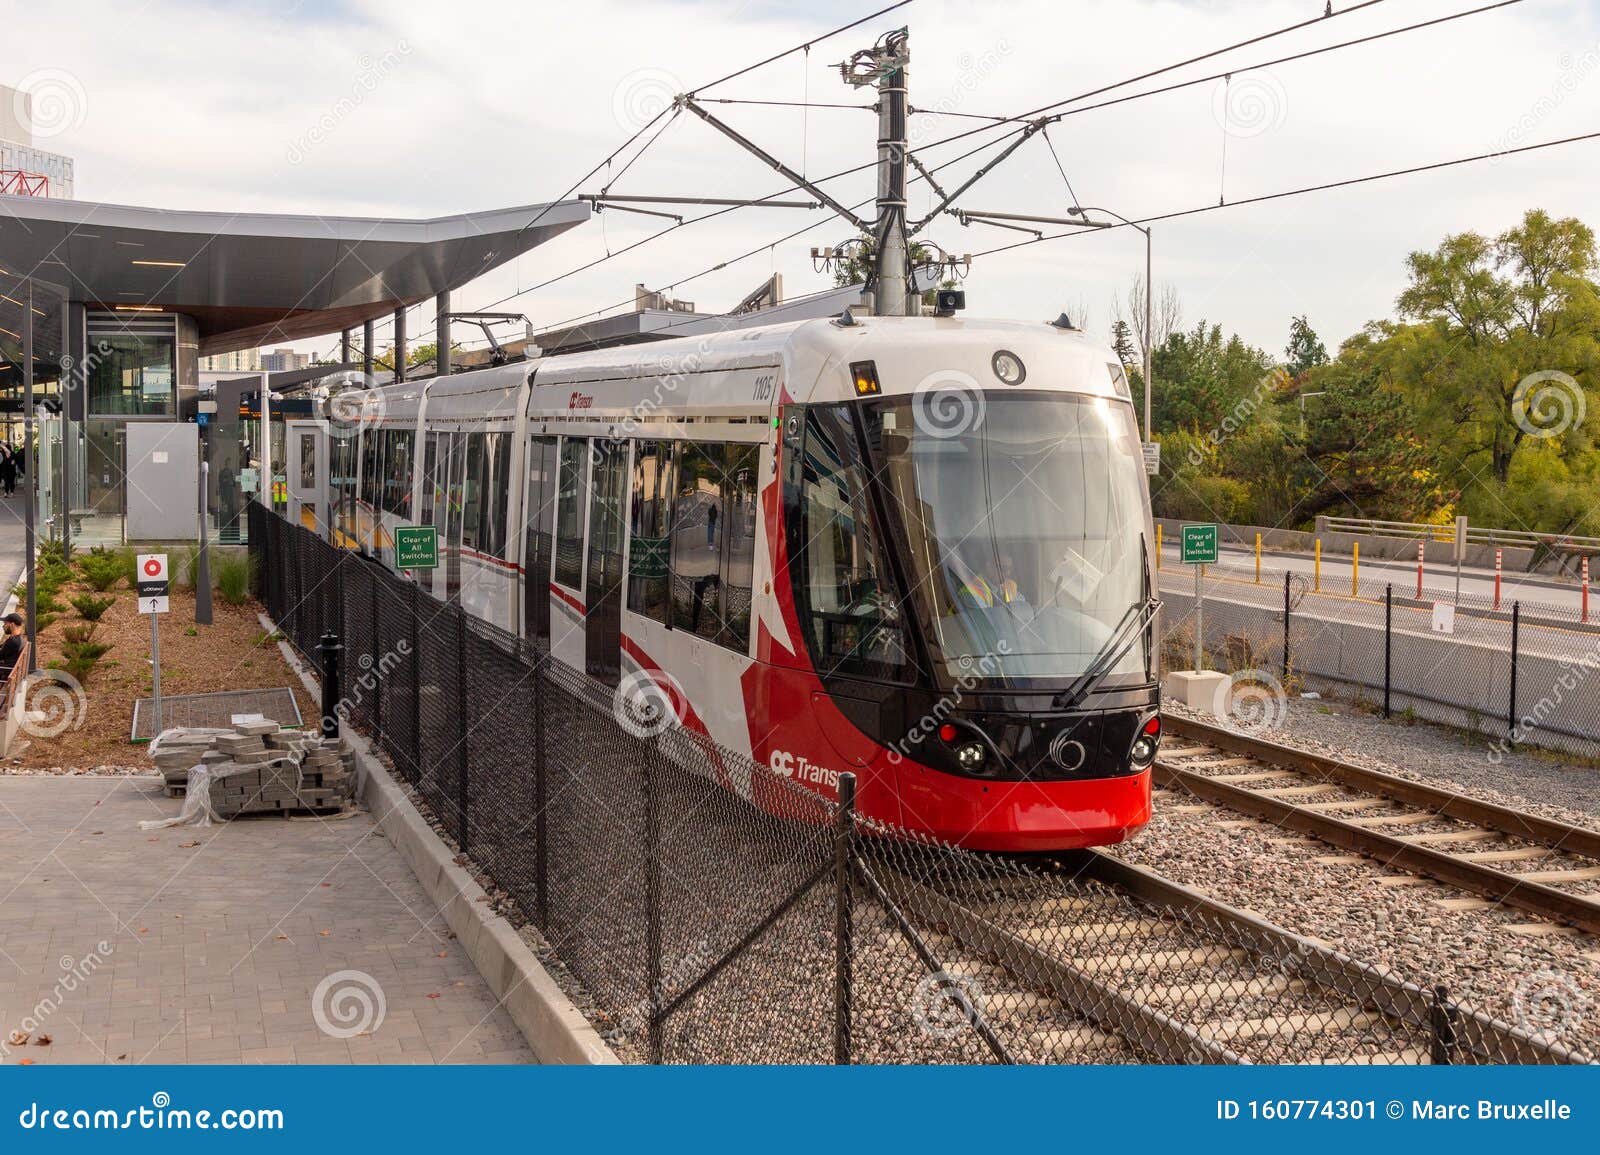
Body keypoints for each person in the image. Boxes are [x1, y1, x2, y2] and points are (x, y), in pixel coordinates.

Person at [0, 613, 24, 678]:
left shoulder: (13, 642)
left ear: (12, 625)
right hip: (6, 670)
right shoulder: (18, 639)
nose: (3, 626)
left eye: (5, 623)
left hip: (3, 672)